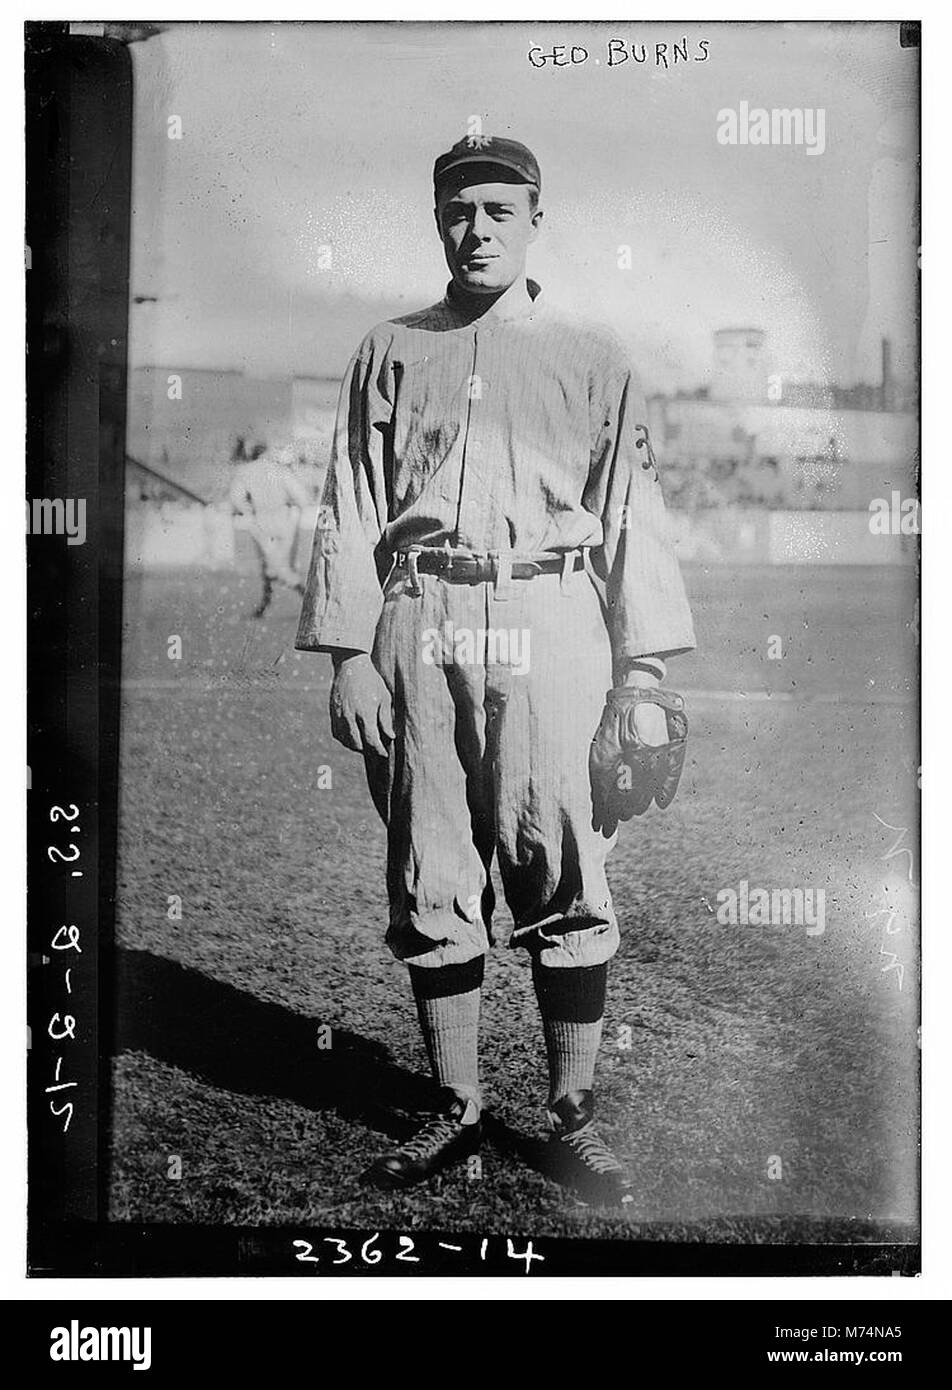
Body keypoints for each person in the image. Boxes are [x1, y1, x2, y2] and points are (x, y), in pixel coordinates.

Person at [295, 134, 696, 1204]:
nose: (477, 229)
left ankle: (571, 1116)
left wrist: (643, 672)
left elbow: (631, 515)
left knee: (561, 855)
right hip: (419, 609)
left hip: (553, 606)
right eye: (460, 209)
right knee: (431, 863)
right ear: (439, 219)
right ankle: (454, 1106)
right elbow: (351, 503)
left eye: (499, 210)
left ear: (534, 221)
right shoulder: (389, 347)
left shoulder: (591, 353)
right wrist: (346, 658)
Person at [229, 443, 308, 617]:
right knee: (275, 564)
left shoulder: (245, 471)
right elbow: (301, 497)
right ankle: (266, 604)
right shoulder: (279, 470)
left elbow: (236, 498)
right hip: (283, 519)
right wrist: (295, 511)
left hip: (261, 521)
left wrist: (247, 510)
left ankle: (307, 600)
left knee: (273, 565)